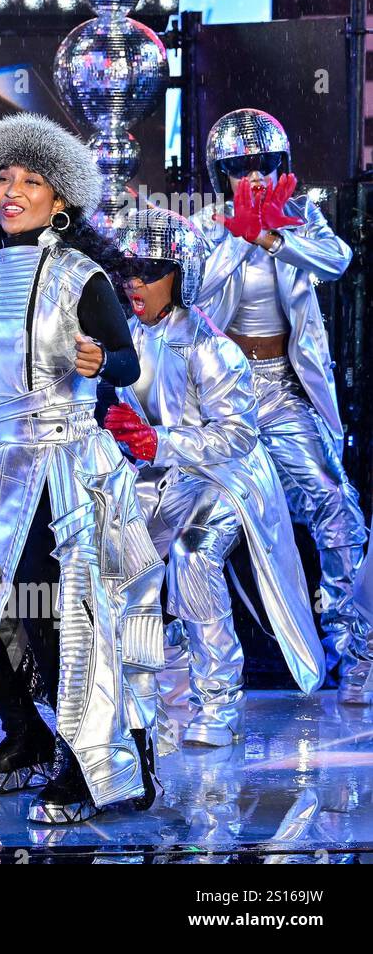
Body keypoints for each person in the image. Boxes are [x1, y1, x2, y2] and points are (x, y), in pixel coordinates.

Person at [0, 113, 163, 825]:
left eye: (30, 180)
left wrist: (104, 363)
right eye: (4, 179)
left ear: (61, 202)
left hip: (61, 468)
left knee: (63, 619)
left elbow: (129, 361)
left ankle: (106, 760)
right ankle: (26, 736)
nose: (12, 190)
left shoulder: (83, 276)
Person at [106, 206, 324, 747]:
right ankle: (152, 686)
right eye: (129, 270)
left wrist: (160, 441)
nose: (136, 282)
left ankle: (220, 699)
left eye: (150, 270)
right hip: (160, 479)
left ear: (180, 276)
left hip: (228, 479)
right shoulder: (122, 341)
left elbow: (238, 438)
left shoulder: (211, 346)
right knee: (119, 550)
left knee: (192, 553)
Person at [196, 109, 371, 704]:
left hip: (285, 390)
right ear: (221, 172)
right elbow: (192, 297)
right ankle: (206, 676)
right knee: (196, 530)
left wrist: (273, 234)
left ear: (282, 168)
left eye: (264, 165)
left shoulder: (301, 219)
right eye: (240, 167)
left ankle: (359, 652)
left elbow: (340, 261)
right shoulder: (202, 227)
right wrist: (237, 237)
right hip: (226, 398)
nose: (253, 175)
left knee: (336, 507)